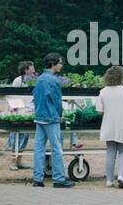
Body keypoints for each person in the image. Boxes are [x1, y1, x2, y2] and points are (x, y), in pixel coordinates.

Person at [32, 53, 73, 188]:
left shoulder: (40, 79)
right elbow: (57, 101)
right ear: (53, 63)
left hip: (39, 117)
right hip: (51, 117)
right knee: (56, 148)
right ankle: (59, 179)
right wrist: (60, 114)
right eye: (60, 63)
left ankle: (37, 179)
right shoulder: (54, 80)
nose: (61, 66)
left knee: (39, 149)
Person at [97, 65, 123, 189]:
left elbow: (99, 111)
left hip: (109, 124)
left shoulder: (103, 91)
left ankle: (109, 180)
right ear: (121, 76)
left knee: (110, 152)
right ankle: (121, 176)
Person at [6, 61, 35, 158]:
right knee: (17, 136)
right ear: (26, 70)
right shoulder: (18, 81)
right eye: (32, 68)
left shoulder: (34, 80)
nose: (34, 69)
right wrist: (15, 110)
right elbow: (12, 96)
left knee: (25, 136)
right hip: (19, 112)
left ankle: (19, 160)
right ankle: (13, 161)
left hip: (29, 111)